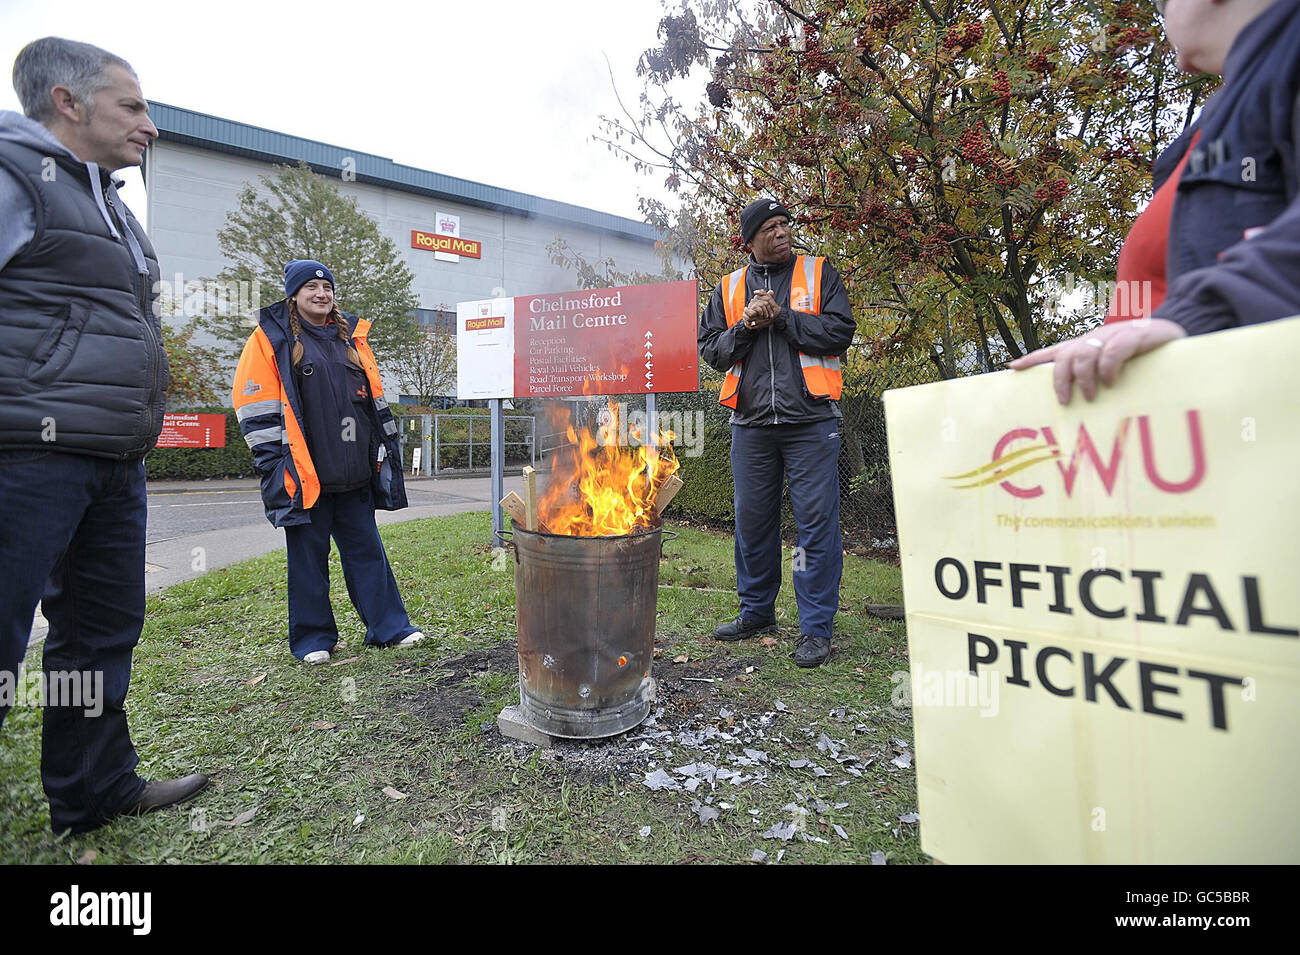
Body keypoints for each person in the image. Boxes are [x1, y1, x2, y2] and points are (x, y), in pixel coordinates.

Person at [0, 38, 208, 833]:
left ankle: (93, 792)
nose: (149, 125)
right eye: (134, 106)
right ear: (67, 100)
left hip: (114, 459)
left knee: (99, 630)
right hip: (26, 454)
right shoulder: (14, 173)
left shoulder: (112, 202)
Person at [1011, 0, 1300, 399]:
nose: (1177, 58)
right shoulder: (1225, 119)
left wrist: (1201, 314)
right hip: (1186, 417)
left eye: (1163, 8)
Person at [232, 260, 424, 664]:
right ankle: (313, 640)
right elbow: (255, 406)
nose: (321, 293)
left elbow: (375, 403)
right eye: (311, 287)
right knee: (307, 561)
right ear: (294, 294)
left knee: (368, 554)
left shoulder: (352, 339)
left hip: (354, 473)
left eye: (327, 286)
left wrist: (383, 454)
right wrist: (274, 465)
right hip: (305, 477)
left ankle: (390, 628)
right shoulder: (269, 338)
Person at [698, 198, 856, 668]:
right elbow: (712, 351)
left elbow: (840, 332)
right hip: (750, 426)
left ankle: (815, 629)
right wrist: (747, 323)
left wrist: (782, 317)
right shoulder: (728, 289)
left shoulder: (819, 271)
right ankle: (756, 613)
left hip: (810, 422)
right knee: (752, 523)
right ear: (750, 240)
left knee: (815, 526)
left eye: (785, 223)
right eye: (769, 227)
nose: (782, 232)